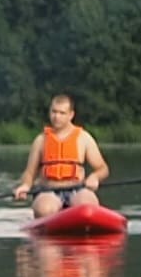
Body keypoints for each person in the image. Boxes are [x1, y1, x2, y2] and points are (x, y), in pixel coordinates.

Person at [22, 93, 111, 222]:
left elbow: (103, 168)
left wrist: (95, 177)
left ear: (71, 115)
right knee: (44, 209)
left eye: (61, 113)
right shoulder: (41, 140)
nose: (56, 117)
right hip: (49, 191)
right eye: (53, 112)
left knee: (87, 205)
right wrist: (25, 185)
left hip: (77, 189)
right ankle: (50, 224)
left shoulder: (84, 138)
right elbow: (29, 173)